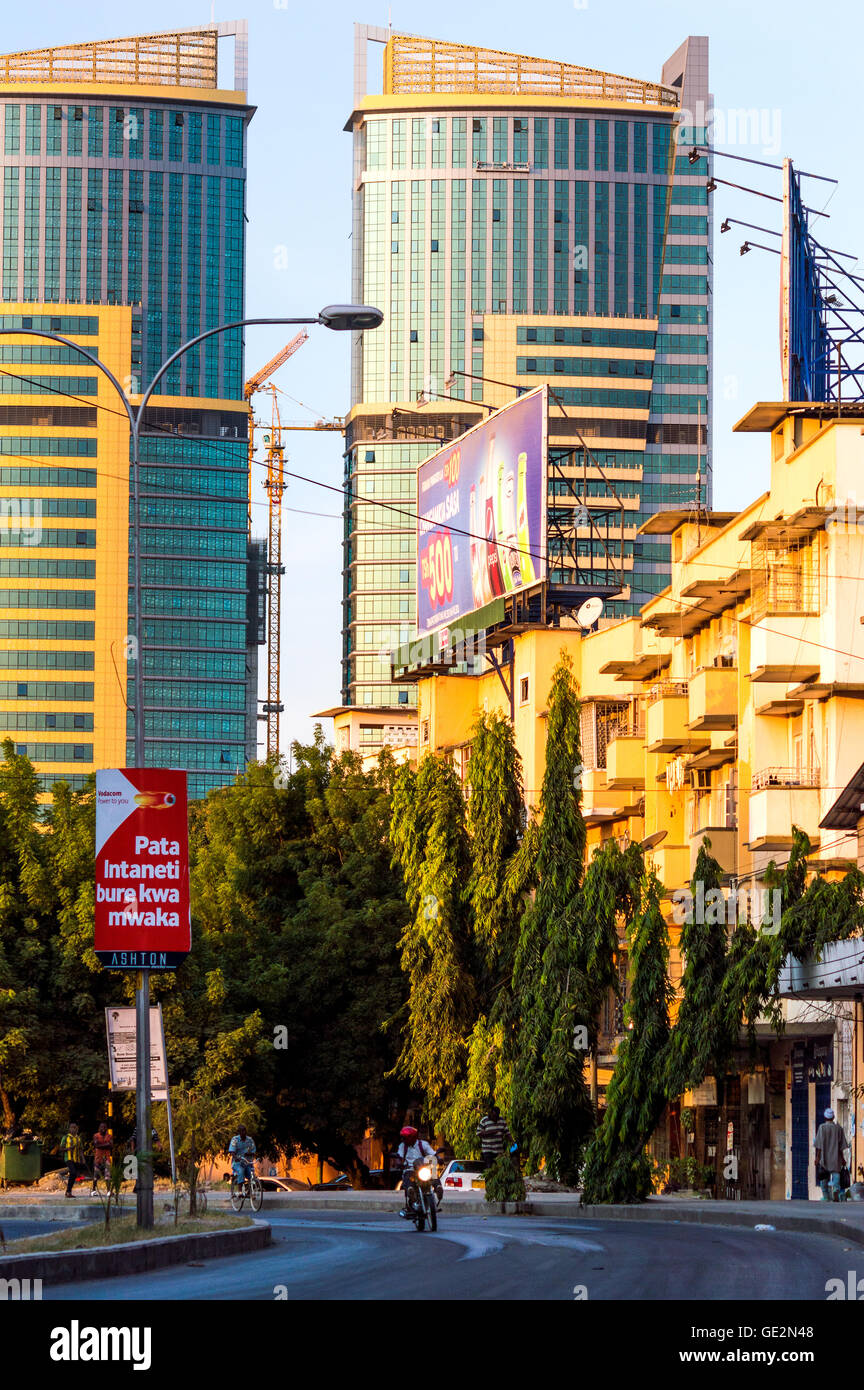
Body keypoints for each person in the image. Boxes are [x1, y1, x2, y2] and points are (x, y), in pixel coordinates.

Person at [395, 1125, 442, 1213]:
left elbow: (432, 1154)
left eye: (405, 1138)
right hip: (410, 1170)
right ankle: (411, 1192)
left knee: (433, 1173)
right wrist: (399, 1163)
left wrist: (438, 1158)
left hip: (422, 1168)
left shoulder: (423, 1144)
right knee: (408, 1177)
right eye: (403, 1138)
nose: (404, 1140)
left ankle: (438, 1187)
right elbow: (399, 1156)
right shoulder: (402, 1146)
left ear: (412, 1137)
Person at [814, 1107, 850, 1202]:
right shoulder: (839, 1128)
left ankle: (826, 1196)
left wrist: (817, 1157)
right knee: (836, 1174)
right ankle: (836, 1189)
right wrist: (842, 1158)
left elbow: (819, 1145)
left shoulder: (822, 1128)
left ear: (825, 1117)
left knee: (824, 1178)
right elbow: (841, 1146)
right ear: (833, 1117)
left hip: (824, 1157)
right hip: (836, 1157)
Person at [476, 1104, 512, 1169]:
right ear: (491, 1114)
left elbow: (507, 1132)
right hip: (487, 1150)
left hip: (499, 1150)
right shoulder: (484, 1120)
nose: (495, 1118)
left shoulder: (502, 1120)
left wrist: (512, 1141)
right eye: (493, 1116)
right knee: (490, 1168)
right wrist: (491, 1132)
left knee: (499, 1168)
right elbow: (478, 1133)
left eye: (496, 1117)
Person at [61, 1122, 86, 1199]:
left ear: (77, 1128)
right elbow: (61, 1148)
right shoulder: (66, 1137)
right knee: (73, 1172)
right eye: (71, 1127)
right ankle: (68, 1192)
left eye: (74, 1127)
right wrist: (68, 1148)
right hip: (68, 1158)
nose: (73, 1129)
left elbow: (81, 1149)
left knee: (74, 1174)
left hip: (76, 1159)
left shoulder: (78, 1138)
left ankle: (68, 1192)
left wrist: (83, 1159)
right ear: (69, 1129)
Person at [228, 1125, 257, 1190]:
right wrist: (236, 1157)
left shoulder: (250, 1140)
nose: (244, 1132)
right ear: (239, 1132)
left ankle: (250, 1191)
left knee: (251, 1173)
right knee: (241, 1170)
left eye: (245, 1130)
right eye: (242, 1130)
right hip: (238, 1162)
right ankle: (240, 1190)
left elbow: (253, 1150)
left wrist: (250, 1153)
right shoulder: (235, 1139)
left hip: (247, 1162)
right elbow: (232, 1151)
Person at [91, 1121, 113, 1196]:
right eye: (101, 1127)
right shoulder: (96, 1135)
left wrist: (101, 1145)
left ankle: (109, 1191)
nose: (103, 1129)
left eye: (104, 1127)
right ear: (99, 1128)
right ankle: (93, 1190)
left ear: (106, 1128)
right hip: (98, 1158)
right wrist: (106, 1144)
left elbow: (111, 1146)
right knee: (96, 1175)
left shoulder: (109, 1136)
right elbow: (96, 1145)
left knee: (108, 1175)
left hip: (107, 1158)